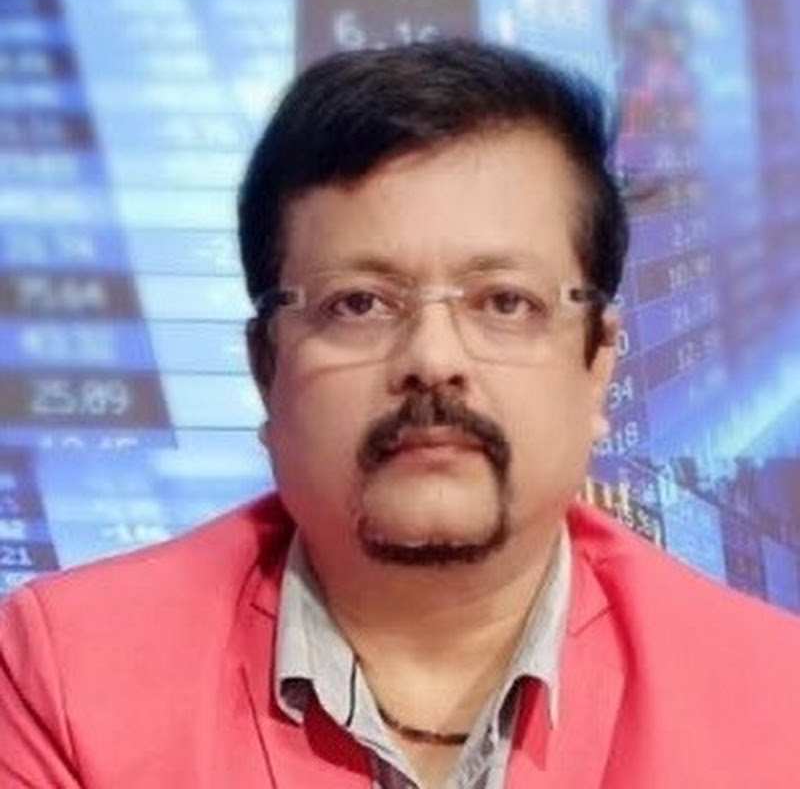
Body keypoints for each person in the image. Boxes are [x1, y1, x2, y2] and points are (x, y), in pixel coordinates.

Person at [1, 39, 799, 789]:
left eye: (505, 302)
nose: (433, 357)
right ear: (266, 369)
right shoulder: (61, 677)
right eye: (359, 303)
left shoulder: (774, 705)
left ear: (597, 368)